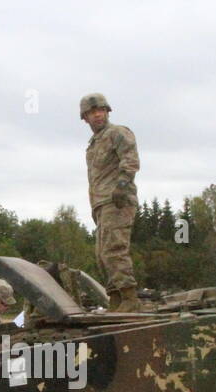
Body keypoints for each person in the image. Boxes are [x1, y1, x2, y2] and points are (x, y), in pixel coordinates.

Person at [81, 92, 141, 312]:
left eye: (101, 110)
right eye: (92, 112)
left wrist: (122, 186)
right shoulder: (94, 144)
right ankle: (116, 298)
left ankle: (129, 298)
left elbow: (130, 159)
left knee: (114, 250)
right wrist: (95, 207)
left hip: (117, 200)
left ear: (107, 112)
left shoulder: (117, 133)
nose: (98, 115)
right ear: (85, 118)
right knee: (101, 254)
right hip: (101, 204)